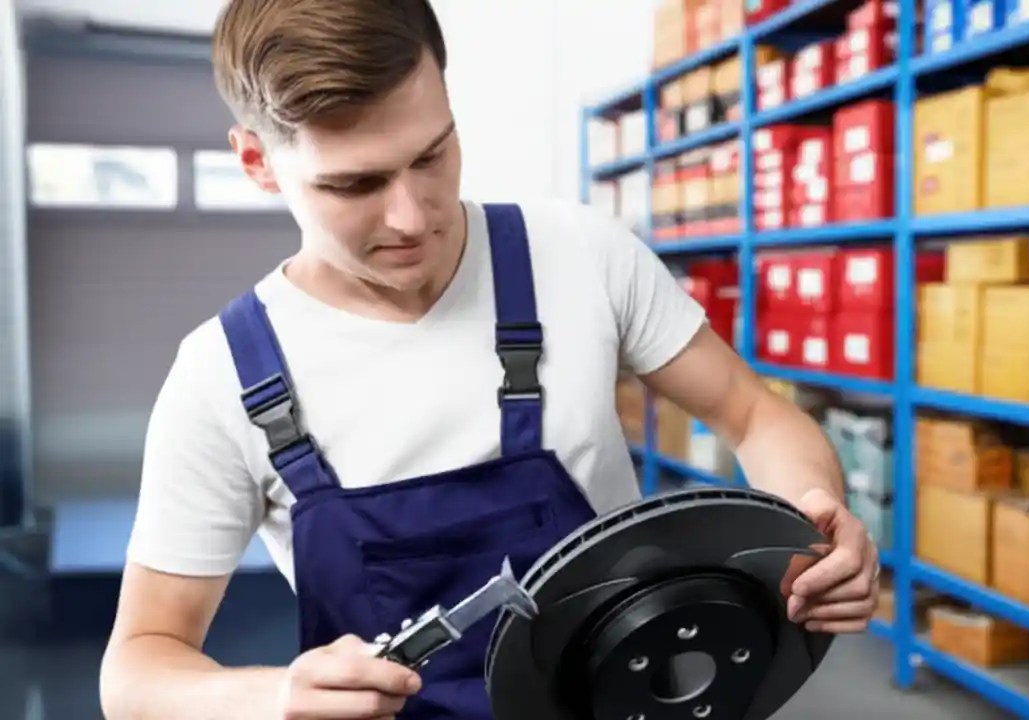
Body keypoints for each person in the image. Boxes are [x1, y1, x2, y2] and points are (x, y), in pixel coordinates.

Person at [98, 1, 880, 718]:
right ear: (257, 162)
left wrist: (811, 521)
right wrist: (270, 697)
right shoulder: (220, 378)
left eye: (431, 156)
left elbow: (753, 413)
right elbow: (135, 671)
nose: (411, 217)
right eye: (355, 184)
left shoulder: (579, 255)